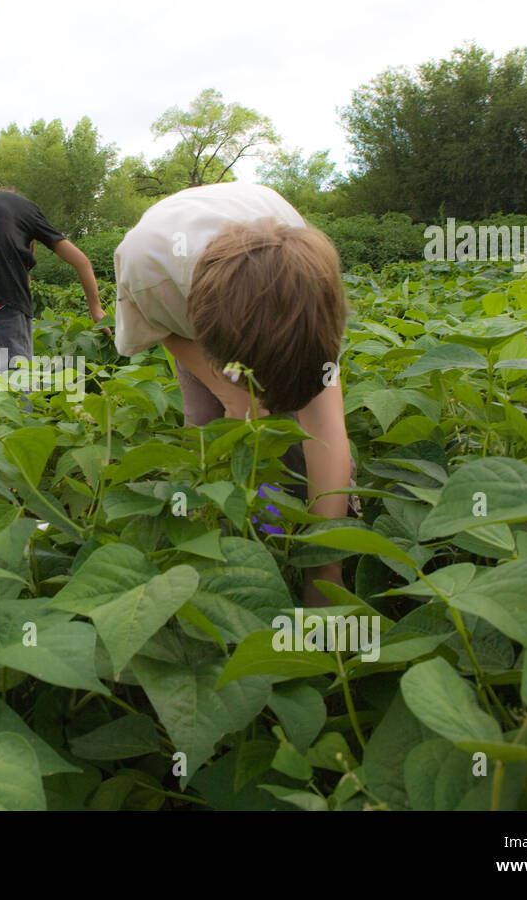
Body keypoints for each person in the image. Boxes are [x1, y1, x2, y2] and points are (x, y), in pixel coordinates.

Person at [113, 181, 357, 605]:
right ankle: (212, 537)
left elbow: (326, 425)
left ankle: (306, 528)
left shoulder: (310, 287)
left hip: (283, 280)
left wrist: (325, 570)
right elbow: (162, 328)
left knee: (301, 432)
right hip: (179, 292)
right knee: (212, 427)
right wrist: (225, 388)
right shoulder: (148, 271)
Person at [0, 189, 109, 373]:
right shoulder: (27, 210)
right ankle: (23, 399)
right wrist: (96, 310)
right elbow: (81, 261)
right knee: (19, 370)